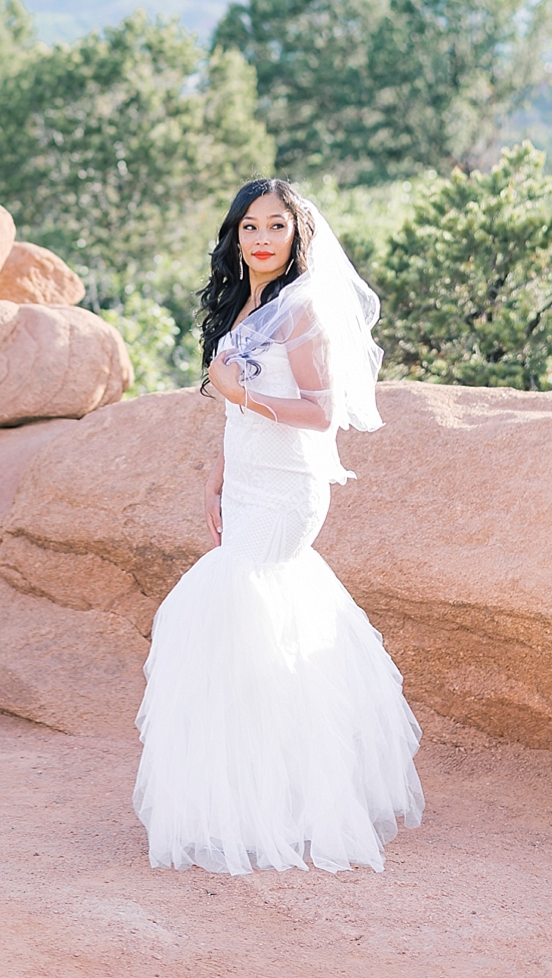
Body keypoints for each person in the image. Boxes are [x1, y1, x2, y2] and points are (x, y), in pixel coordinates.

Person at [133, 178, 423, 875]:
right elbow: (238, 407)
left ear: (297, 236)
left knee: (238, 608)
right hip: (246, 477)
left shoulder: (303, 309)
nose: (262, 239)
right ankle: (252, 800)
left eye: (276, 227)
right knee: (246, 628)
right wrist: (217, 469)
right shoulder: (245, 302)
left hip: (289, 486)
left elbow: (320, 413)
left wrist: (242, 396)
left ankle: (285, 807)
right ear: (235, 238)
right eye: (250, 227)